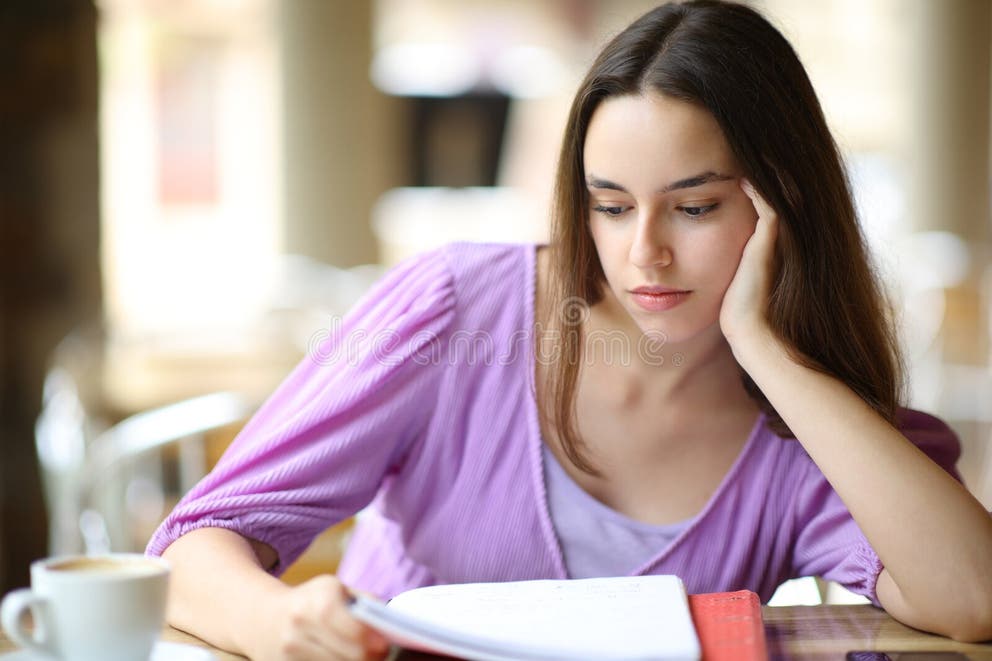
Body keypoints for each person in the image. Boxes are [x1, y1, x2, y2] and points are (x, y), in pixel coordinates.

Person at [146, 1, 992, 658]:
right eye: (611, 205)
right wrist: (275, 621)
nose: (644, 252)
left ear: (784, 205)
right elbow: (191, 546)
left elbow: (972, 594)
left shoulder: (803, 435)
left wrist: (772, 356)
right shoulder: (455, 310)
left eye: (694, 207)